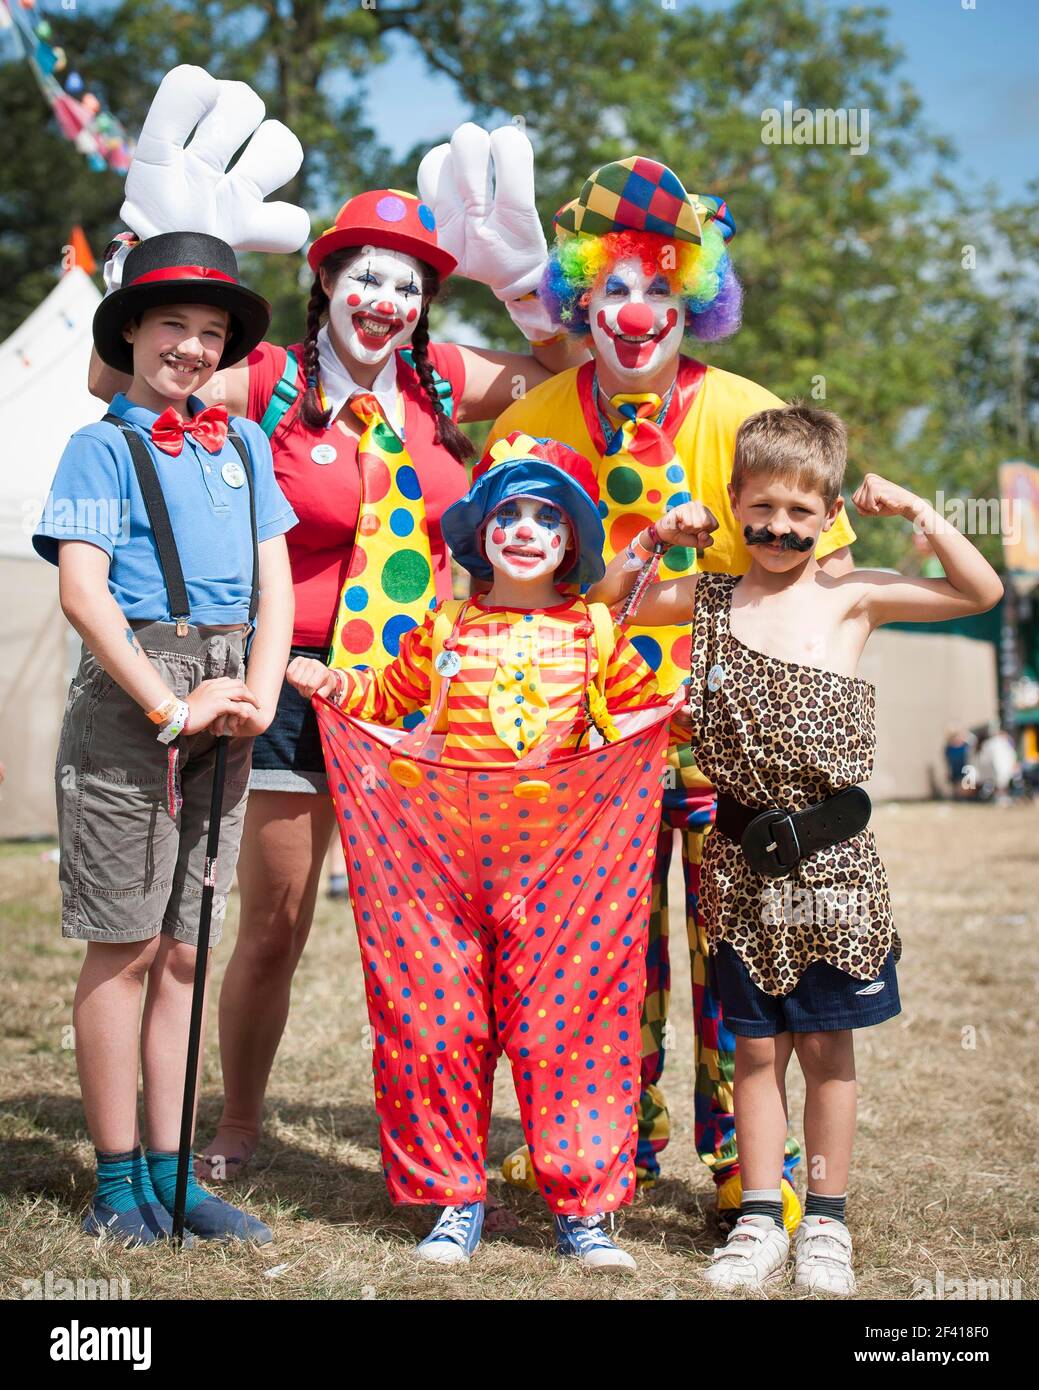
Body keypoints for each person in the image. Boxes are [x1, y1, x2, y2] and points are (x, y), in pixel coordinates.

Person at [86, 70, 586, 1180]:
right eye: (367, 276)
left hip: (423, 700)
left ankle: (451, 1143)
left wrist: (524, 289)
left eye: (407, 284)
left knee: (451, 932)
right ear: (327, 283)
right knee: (273, 919)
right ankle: (237, 1123)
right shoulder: (260, 375)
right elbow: (109, 381)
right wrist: (149, 245)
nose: (386, 300)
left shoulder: (442, 385)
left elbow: (576, 370)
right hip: (290, 693)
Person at [483, 155, 856, 1224]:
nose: (636, 310)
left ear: (693, 298)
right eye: (614, 286)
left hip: (727, 734)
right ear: (579, 299)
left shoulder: (749, 414)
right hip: (583, 735)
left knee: (735, 946)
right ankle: (607, 1146)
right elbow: (510, 587)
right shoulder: (533, 422)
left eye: (659, 285)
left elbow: (821, 577)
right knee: (596, 953)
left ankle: (747, 1155)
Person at [592, 404, 1003, 1292]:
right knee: (753, 1049)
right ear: (733, 500)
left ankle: (824, 1223)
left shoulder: (853, 599)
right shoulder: (703, 599)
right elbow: (601, 607)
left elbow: (981, 594)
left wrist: (921, 516)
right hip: (736, 858)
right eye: (763, 507)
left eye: (800, 514)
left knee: (826, 1049)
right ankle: (758, 1219)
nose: (778, 529)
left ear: (827, 519)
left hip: (832, 863)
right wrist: (659, 537)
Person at [285, 433, 697, 1271]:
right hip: (442, 868)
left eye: (547, 517)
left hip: (561, 873)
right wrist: (335, 685)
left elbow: (633, 712)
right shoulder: (443, 626)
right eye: (507, 512)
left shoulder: (591, 629)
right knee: (432, 1027)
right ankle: (452, 1200)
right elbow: (385, 699)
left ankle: (583, 1210)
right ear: (479, 533)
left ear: (571, 543)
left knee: (572, 1034)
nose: (524, 528)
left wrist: (674, 713)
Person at [34, 230, 297, 1245]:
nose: (192, 345)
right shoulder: (100, 445)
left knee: (189, 942)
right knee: (128, 940)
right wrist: (165, 703)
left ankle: (170, 1166)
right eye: (173, 326)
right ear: (133, 333)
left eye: (211, 331)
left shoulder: (242, 443)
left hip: (230, 687)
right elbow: (83, 592)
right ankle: (114, 1180)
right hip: (139, 689)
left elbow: (274, 581)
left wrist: (262, 691)